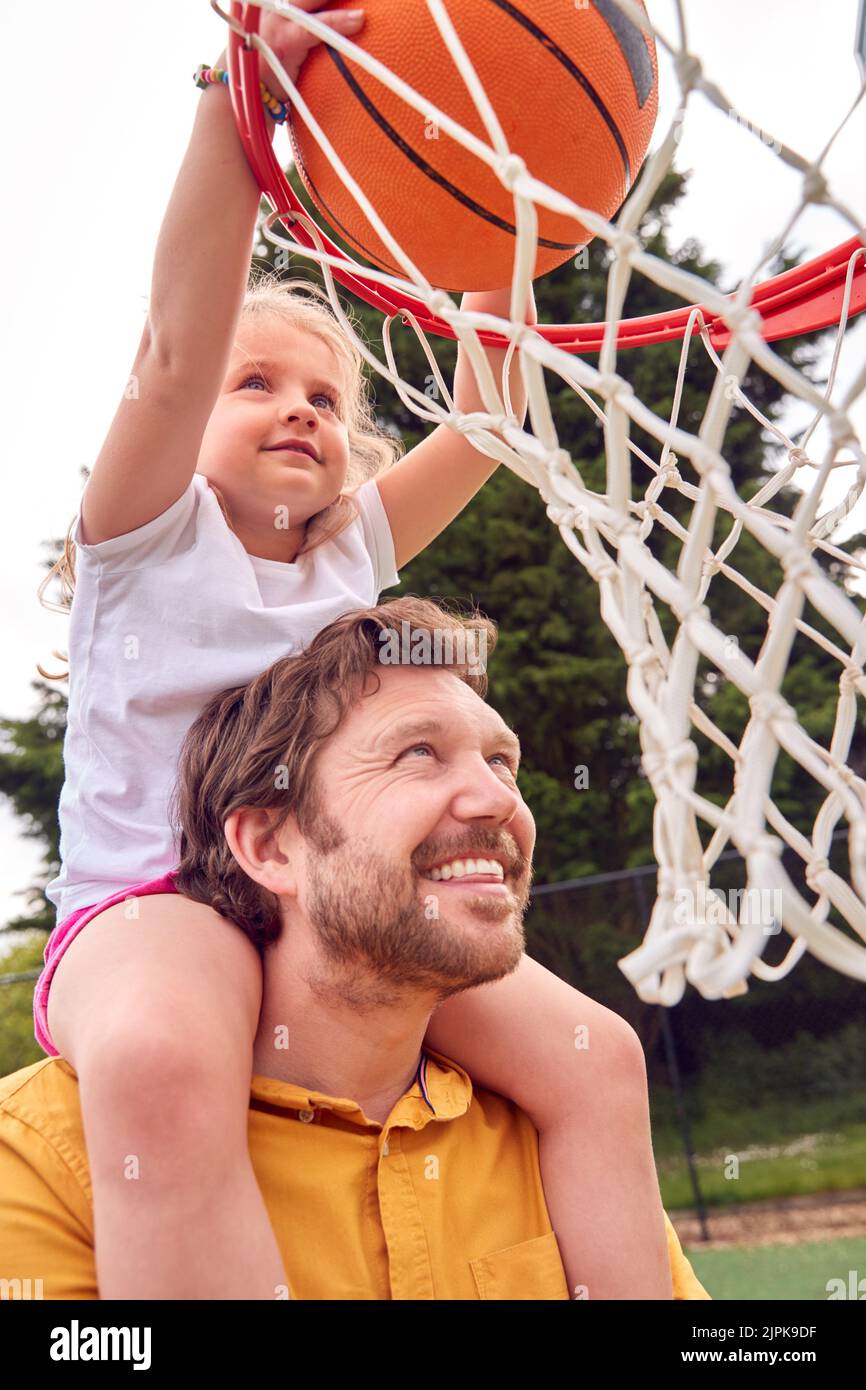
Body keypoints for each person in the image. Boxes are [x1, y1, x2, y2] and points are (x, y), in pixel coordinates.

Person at [26, 1, 676, 1301]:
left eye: (325, 396)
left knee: (595, 1055)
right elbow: (169, 351)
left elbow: (492, 408)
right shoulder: (144, 545)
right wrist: (236, 100)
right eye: (254, 383)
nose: (298, 410)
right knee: (160, 1052)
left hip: (326, 897)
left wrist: (509, 199)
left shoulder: (344, 553)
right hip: (153, 906)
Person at [2, 597, 709, 1300]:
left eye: (502, 761)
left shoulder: (561, 1139)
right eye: (418, 754)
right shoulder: (41, 1159)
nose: (497, 799)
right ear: (269, 847)